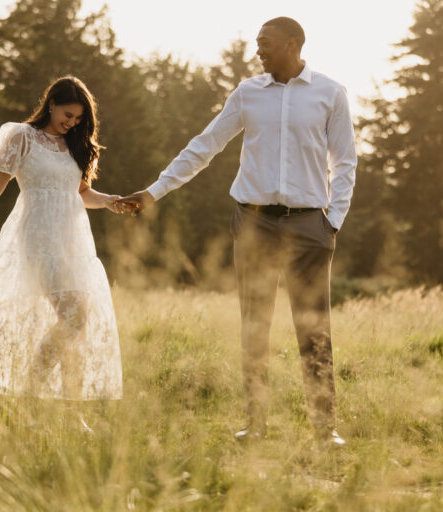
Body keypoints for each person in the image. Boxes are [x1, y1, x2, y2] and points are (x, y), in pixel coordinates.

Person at [123, 17, 357, 445]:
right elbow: (205, 145)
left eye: (265, 44)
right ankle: (256, 423)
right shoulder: (247, 93)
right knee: (255, 326)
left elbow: (345, 162)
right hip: (253, 225)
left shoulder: (330, 93)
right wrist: (156, 191)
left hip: (309, 227)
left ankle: (325, 429)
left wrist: (332, 222)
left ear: (292, 44)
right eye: (256, 44)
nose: (258, 51)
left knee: (315, 330)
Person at [0, 76, 131, 429]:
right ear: (52, 103)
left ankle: (69, 412)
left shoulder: (74, 144)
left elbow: (82, 193)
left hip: (72, 239)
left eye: (78, 119)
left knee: (76, 323)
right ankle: (31, 396)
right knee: (75, 316)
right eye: (68, 114)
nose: (72, 123)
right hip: (38, 237)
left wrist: (112, 202)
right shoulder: (21, 137)